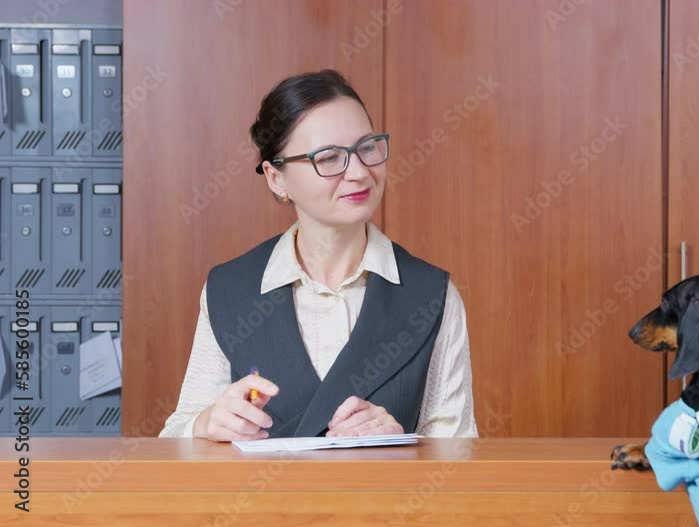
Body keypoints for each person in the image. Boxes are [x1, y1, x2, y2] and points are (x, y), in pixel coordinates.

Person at [159, 70, 477, 441]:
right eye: (328, 158)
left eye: (368, 148)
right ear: (276, 178)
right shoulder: (230, 289)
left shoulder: (430, 293)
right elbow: (176, 439)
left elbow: (457, 454)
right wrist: (206, 424)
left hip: (384, 501)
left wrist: (404, 444)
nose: (358, 172)